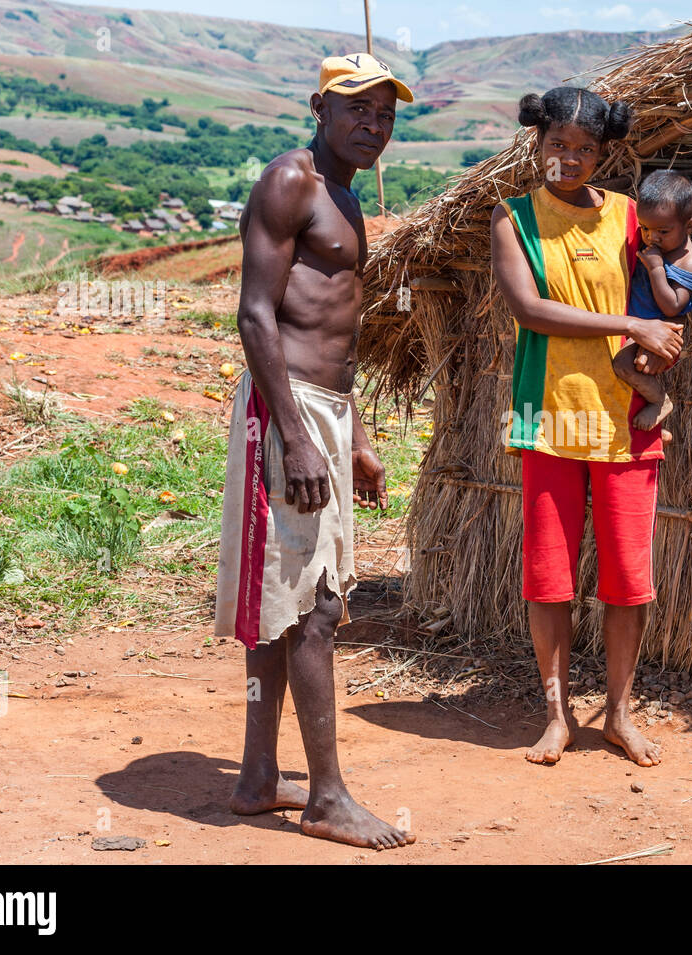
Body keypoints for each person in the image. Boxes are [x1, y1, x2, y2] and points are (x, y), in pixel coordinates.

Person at [213, 52, 416, 849]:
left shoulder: (347, 196)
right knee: (316, 607)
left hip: (322, 413)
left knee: (285, 602)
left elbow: (338, 331)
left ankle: (259, 776)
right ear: (319, 108)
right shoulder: (290, 182)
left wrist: (352, 435)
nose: (373, 124)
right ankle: (327, 798)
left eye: (385, 114)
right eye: (357, 108)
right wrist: (296, 433)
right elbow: (256, 315)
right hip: (285, 412)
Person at [490, 86, 685, 766]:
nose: (568, 160)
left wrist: (668, 323)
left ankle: (619, 715)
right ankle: (557, 716)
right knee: (550, 576)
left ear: (605, 153)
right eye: (557, 146)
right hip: (545, 415)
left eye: (584, 149)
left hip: (625, 417)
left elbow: (675, 285)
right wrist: (631, 324)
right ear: (536, 143)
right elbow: (530, 309)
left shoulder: (632, 217)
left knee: (629, 577)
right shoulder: (513, 218)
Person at [611, 169, 692, 440]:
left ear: (690, 225)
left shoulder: (685, 261)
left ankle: (659, 401)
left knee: (623, 365)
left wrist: (655, 269)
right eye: (645, 228)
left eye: (662, 231)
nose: (652, 237)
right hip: (639, 327)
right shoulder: (660, 246)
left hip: (661, 333)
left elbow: (673, 307)